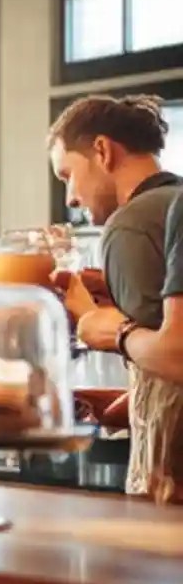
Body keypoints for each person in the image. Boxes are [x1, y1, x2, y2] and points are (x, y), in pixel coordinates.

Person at [50, 94, 183, 503]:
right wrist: (119, 406)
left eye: (67, 174)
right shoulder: (172, 204)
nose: (70, 197)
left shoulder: (129, 224)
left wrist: (112, 332)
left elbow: (175, 358)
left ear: (102, 151)